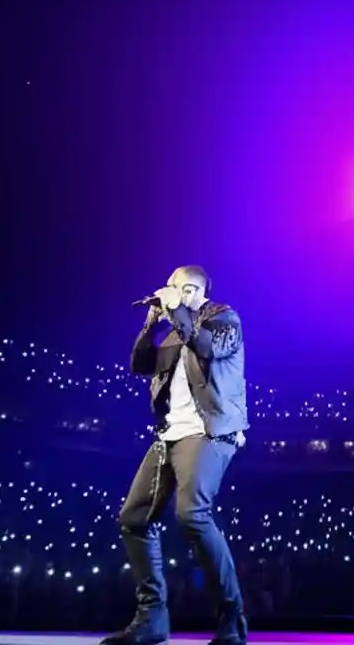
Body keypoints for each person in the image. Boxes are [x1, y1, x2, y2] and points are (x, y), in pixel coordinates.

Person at [102, 265, 249, 645]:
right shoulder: (172, 332)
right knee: (133, 517)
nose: (166, 293)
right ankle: (152, 619)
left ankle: (231, 620)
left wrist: (177, 313)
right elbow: (139, 365)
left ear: (191, 291)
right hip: (170, 435)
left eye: (173, 288)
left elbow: (207, 348)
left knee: (191, 514)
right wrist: (152, 324)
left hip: (209, 432)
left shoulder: (224, 319)